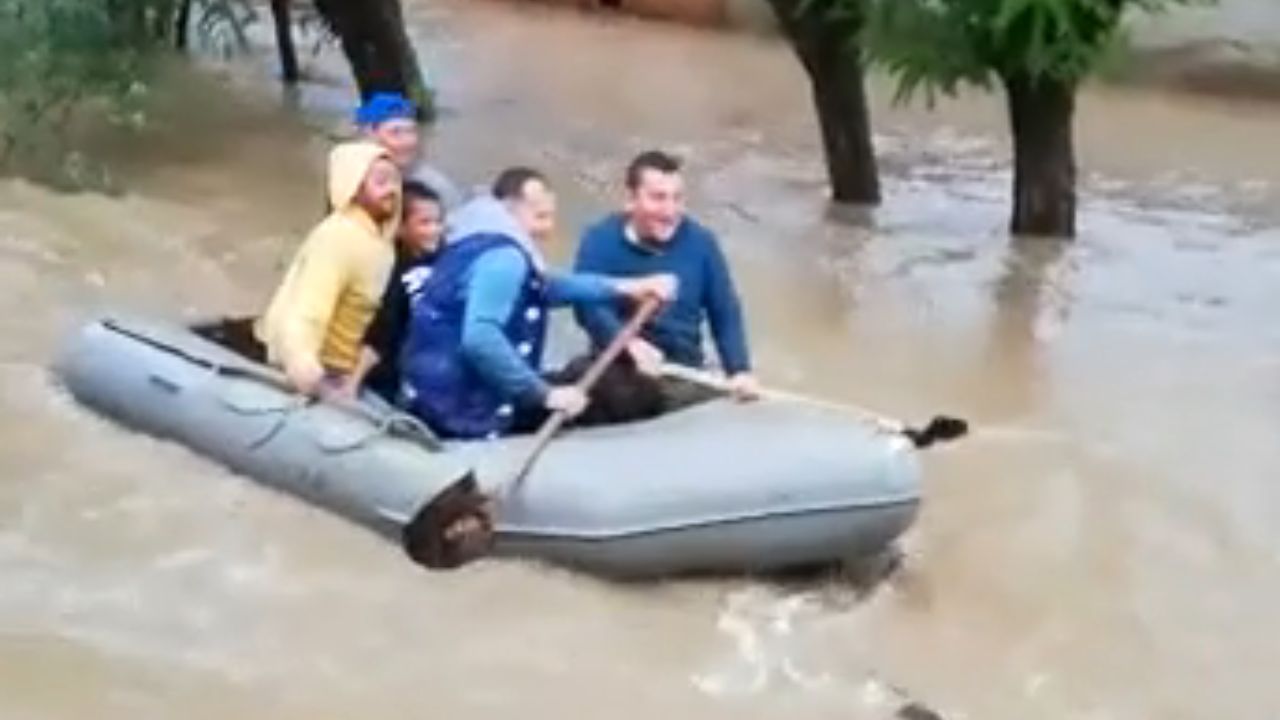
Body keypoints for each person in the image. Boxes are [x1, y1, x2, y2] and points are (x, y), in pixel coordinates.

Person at [398, 166, 676, 440]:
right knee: (622, 393)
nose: (548, 229)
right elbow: (480, 338)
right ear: (511, 211)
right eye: (540, 217)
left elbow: (544, 287)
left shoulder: (472, 236)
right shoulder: (505, 259)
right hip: (466, 408)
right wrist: (545, 394)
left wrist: (625, 287)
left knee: (588, 375)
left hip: (442, 390)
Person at [573, 150, 760, 400]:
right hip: (615, 370)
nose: (670, 211)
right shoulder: (599, 239)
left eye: (677, 198)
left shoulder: (702, 243)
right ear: (630, 199)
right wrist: (631, 346)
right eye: (658, 198)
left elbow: (724, 311)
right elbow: (587, 307)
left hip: (683, 373)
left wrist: (739, 369)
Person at [255, 141, 402, 396]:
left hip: (350, 370)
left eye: (394, 181)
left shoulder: (382, 241)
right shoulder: (339, 237)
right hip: (322, 368)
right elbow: (308, 309)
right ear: (352, 188)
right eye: (380, 182)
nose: (391, 190)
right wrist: (307, 370)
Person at [348, 180, 447, 403]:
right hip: (395, 374)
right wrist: (352, 383)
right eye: (425, 223)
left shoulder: (449, 261)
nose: (435, 231)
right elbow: (381, 331)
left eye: (438, 222)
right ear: (400, 228)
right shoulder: (390, 270)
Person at [355, 92, 464, 211]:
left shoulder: (435, 187)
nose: (408, 141)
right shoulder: (352, 181)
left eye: (411, 131)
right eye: (396, 132)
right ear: (370, 135)